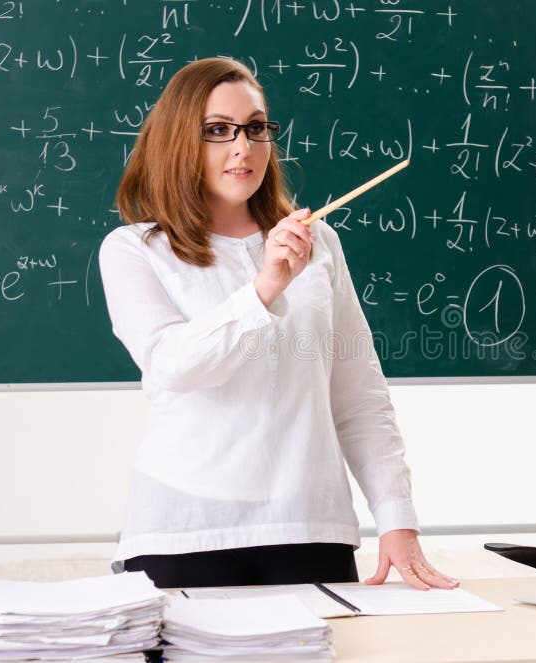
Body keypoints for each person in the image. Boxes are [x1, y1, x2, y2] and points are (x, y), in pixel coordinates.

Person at [98, 57, 458, 591]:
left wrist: (396, 517)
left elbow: (359, 395)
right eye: (217, 131)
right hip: (185, 533)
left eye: (256, 127)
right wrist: (266, 287)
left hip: (310, 527)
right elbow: (171, 365)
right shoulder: (135, 248)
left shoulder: (320, 243)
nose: (242, 147)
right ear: (179, 140)